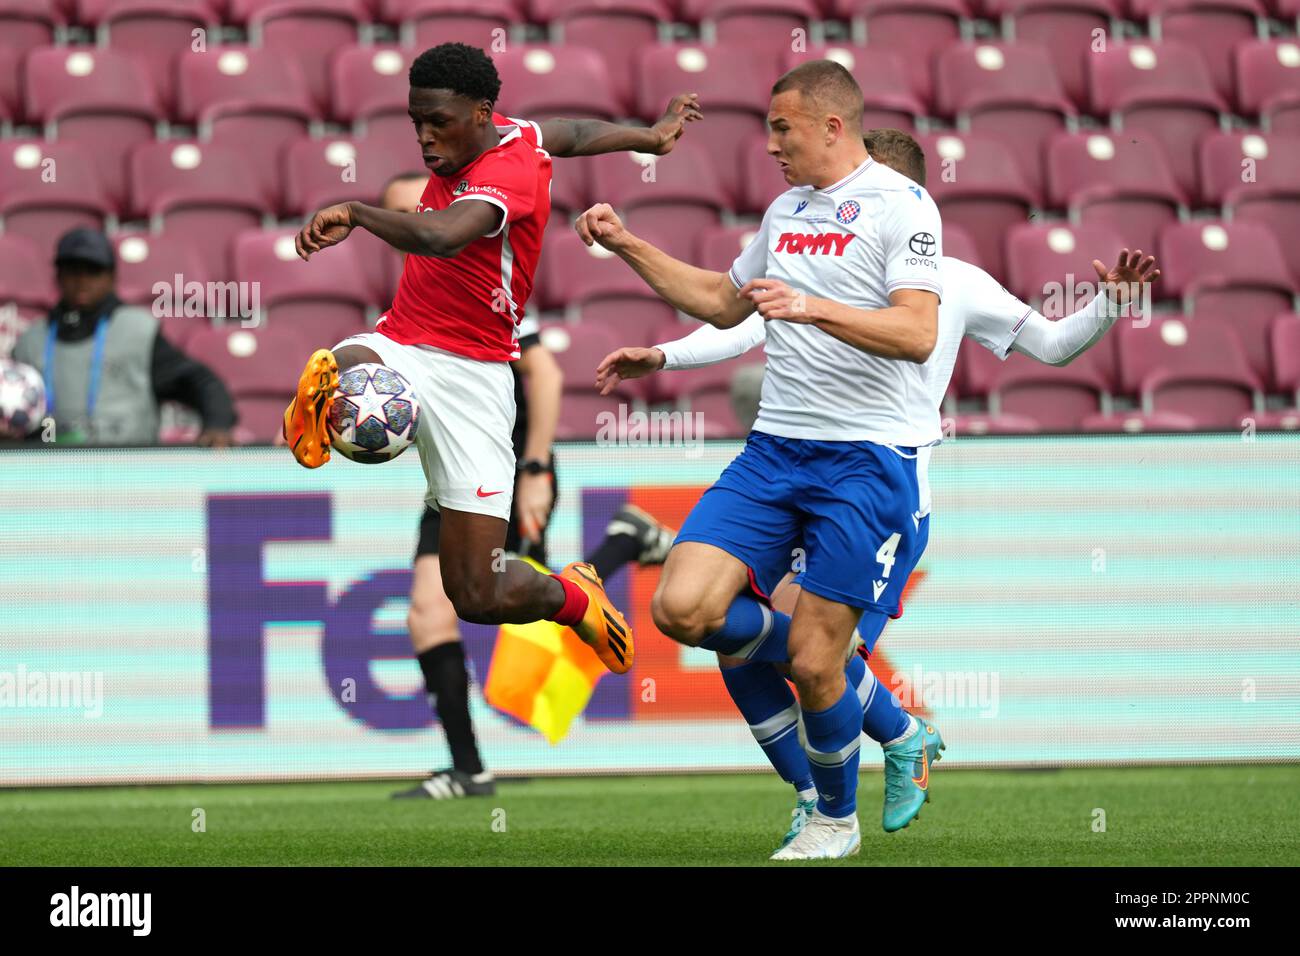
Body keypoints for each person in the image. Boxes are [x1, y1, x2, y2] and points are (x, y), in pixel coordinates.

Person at [594, 127, 1161, 851]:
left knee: (814, 660)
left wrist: (1107, 307)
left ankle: (865, 776)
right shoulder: (808, 242)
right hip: (796, 464)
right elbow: (740, 325)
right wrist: (667, 354)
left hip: (881, 490)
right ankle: (829, 789)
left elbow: (1049, 346)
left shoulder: (952, 282)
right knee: (744, 645)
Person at [575, 62, 946, 859]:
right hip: (775, 453)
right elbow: (721, 300)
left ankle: (834, 819)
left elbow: (916, 333)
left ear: (832, 127)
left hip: (865, 460)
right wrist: (625, 242)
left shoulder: (905, 207)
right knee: (684, 609)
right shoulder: (784, 211)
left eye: (783, 128)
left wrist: (811, 305)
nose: (770, 143)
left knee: (816, 664)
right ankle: (886, 718)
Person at [285, 45, 700, 686]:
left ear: (480, 114)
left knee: (477, 596)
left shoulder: (507, 173)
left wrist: (356, 211)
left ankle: (578, 597)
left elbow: (444, 234)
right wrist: (649, 135)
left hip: (475, 382)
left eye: (439, 122)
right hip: (405, 343)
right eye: (415, 120)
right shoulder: (512, 131)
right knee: (358, 359)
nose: (425, 137)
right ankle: (329, 389)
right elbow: (569, 132)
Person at [376, 168, 674, 800]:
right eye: (399, 215)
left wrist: (535, 468)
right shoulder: (406, 303)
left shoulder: (485, 279)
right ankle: (469, 769)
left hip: (505, 471)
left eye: (419, 209)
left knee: (523, 627)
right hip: (451, 483)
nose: (414, 225)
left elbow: (543, 374)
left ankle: (622, 542)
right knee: (430, 612)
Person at [13, 227, 236, 446]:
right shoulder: (30, 342)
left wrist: (217, 425)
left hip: (129, 472)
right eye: (73, 271)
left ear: (112, 277)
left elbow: (201, 382)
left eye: (93, 271)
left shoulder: (137, 333)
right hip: (48, 474)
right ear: (58, 276)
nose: (82, 280)